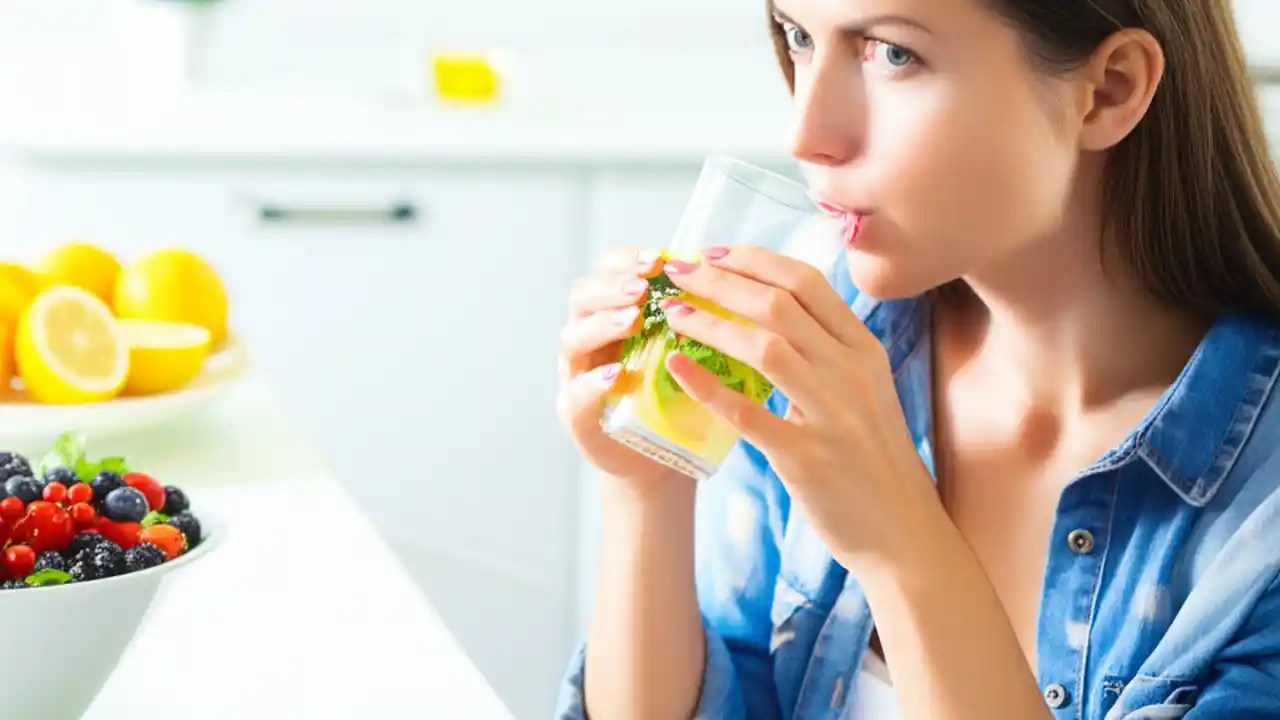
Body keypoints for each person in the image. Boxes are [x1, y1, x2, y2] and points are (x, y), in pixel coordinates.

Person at [554, 0, 1280, 717]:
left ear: (1110, 90)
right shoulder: (821, 338)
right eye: (799, 36)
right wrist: (648, 492)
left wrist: (902, 544)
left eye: (894, 53)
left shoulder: (1259, 521)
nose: (807, 133)